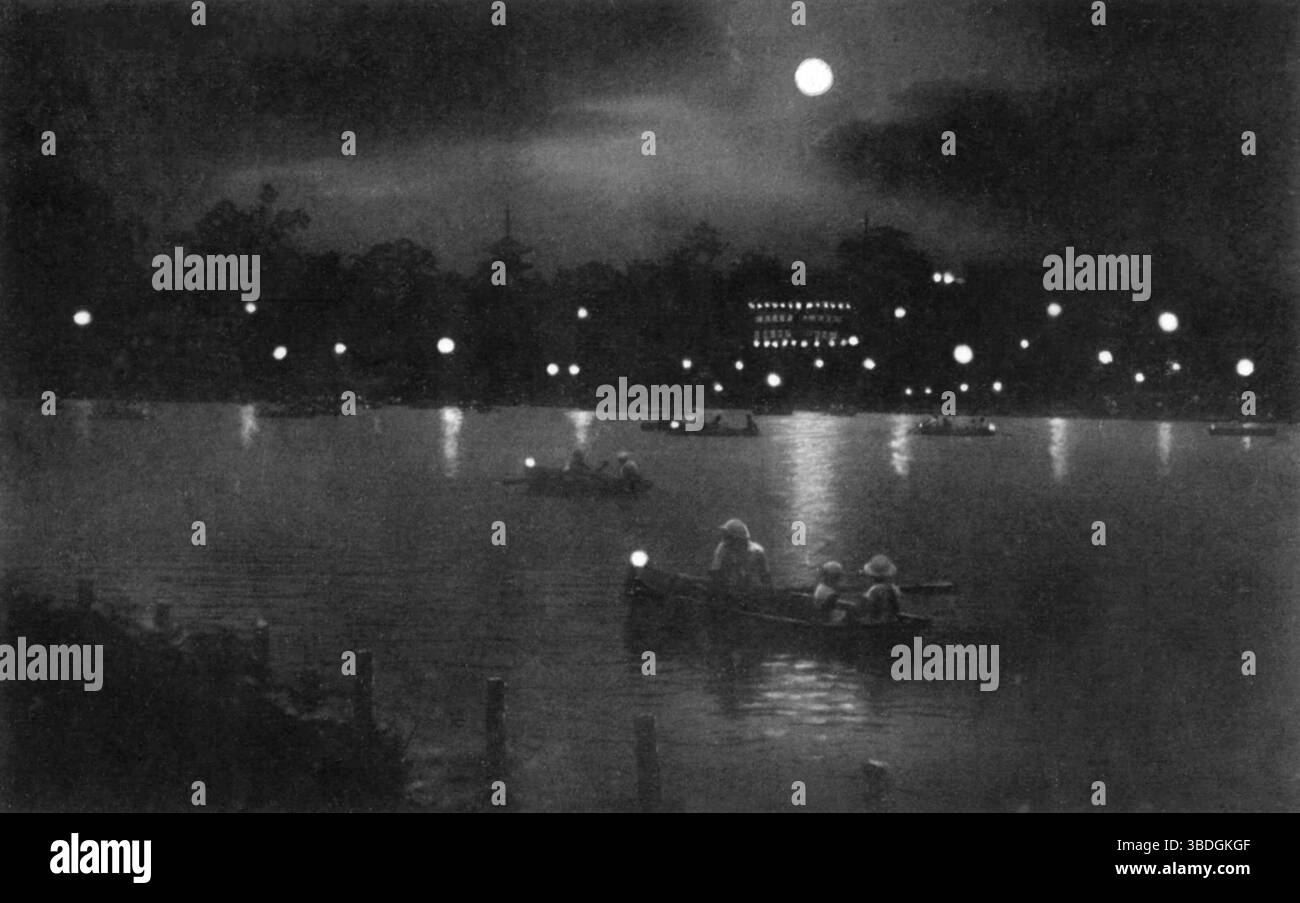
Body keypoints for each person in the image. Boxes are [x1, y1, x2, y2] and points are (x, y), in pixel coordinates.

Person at [710, 519, 771, 598]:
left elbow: (766, 577)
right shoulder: (723, 548)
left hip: (752, 591)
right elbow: (715, 572)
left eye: (728, 536)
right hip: (728, 591)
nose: (725, 539)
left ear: (737, 538)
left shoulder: (757, 552)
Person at [856, 555, 901, 624]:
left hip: (874, 626)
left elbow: (864, 610)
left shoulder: (872, 591)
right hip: (892, 623)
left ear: (871, 575)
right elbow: (896, 608)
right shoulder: (895, 589)